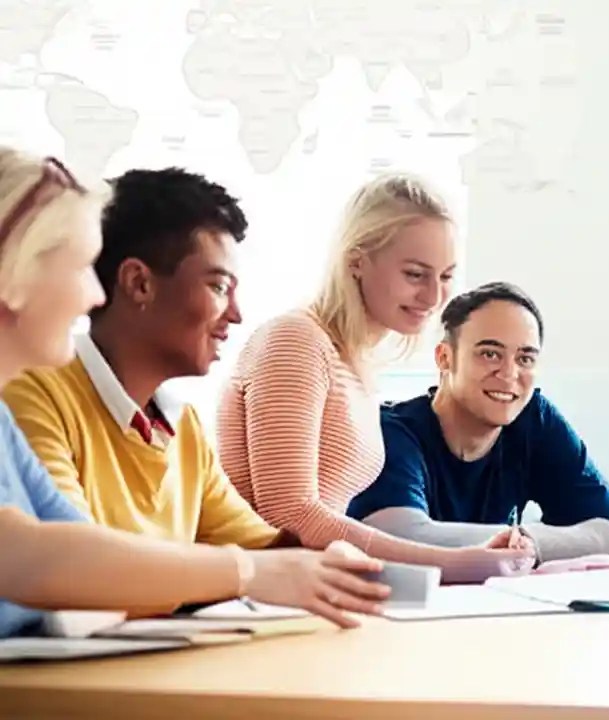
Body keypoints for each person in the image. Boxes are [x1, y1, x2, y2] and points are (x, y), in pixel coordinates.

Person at [0, 148, 387, 634]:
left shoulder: (171, 424)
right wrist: (244, 574)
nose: (92, 295)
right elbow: (58, 569)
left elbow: (81, 566)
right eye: (79, 268)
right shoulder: (30, 396)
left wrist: (317, 564)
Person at [217, 173, 533, 584]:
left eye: (446, 276)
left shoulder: (355, 363)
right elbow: (290, 515)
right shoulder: (296, 342)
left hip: (308, 591)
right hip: (259, 598)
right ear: (356, 261)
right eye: (416, 275)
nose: (435, 298)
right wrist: (451, 564)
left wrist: (459, 557)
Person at [1, 168, 281, 548]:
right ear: (139, 283)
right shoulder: (31, 393)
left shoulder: (182, 425)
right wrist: (247, 573)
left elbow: (265, 549)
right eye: (218, 287)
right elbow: (78, 564)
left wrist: (348, 559)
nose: (236, 314)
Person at [347, 281, 609, 563]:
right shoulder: (391, 431)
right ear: (445, 357)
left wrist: (529, 542)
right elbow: (396, 537)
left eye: (525, 358)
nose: (510, 373)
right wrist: (519, 542)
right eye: (490, 354)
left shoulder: (533, 420)